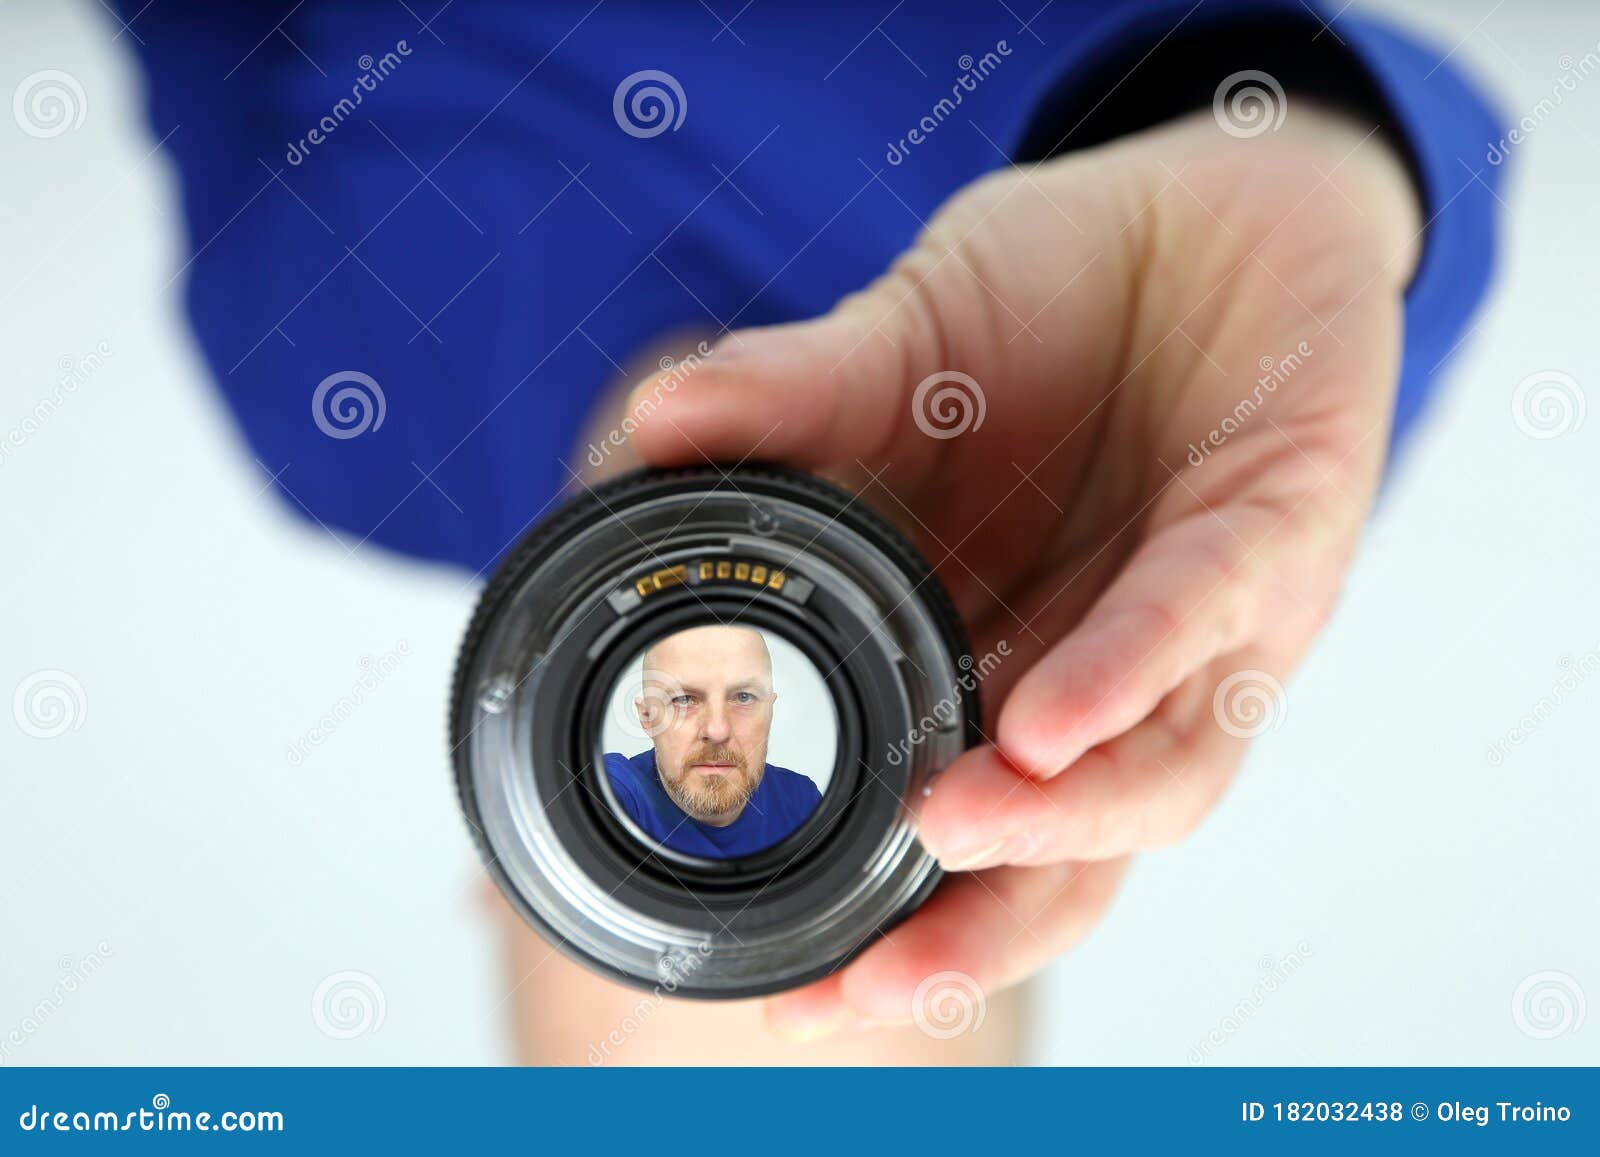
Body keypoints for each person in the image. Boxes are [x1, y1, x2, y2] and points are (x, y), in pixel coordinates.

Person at [114, 1, 1504, 1063]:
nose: (720, 750)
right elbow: (1418, 135)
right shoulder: (1144, 446)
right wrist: (1305, 147)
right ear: (979, 794)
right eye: (814, 872)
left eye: (680, 912)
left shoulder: (322, 401)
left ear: (512, 879)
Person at [603, 625, 822, 858]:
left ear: (769, 712)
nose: (717, 731)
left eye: (743, 697)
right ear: (647, 717)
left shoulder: (800, 802)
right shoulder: (612, 791)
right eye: (684, 699)